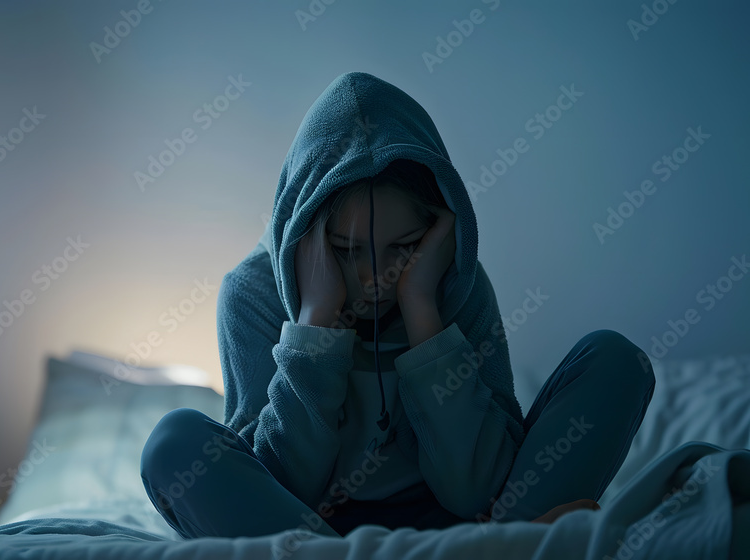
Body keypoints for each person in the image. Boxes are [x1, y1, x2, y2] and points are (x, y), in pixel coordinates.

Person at [139, 72, 655, 540]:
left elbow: (477, 489)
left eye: (403, 246)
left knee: (616, 361)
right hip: (309, 529)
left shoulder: (455, 284)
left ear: (435, 230)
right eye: (345, 251)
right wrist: (315, 327)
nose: (374, 279)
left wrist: (424, 314)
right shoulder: (252, 294)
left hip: (466, 525)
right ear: (303, 231)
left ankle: (504, 548)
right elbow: (279, 484)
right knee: (172, 445)